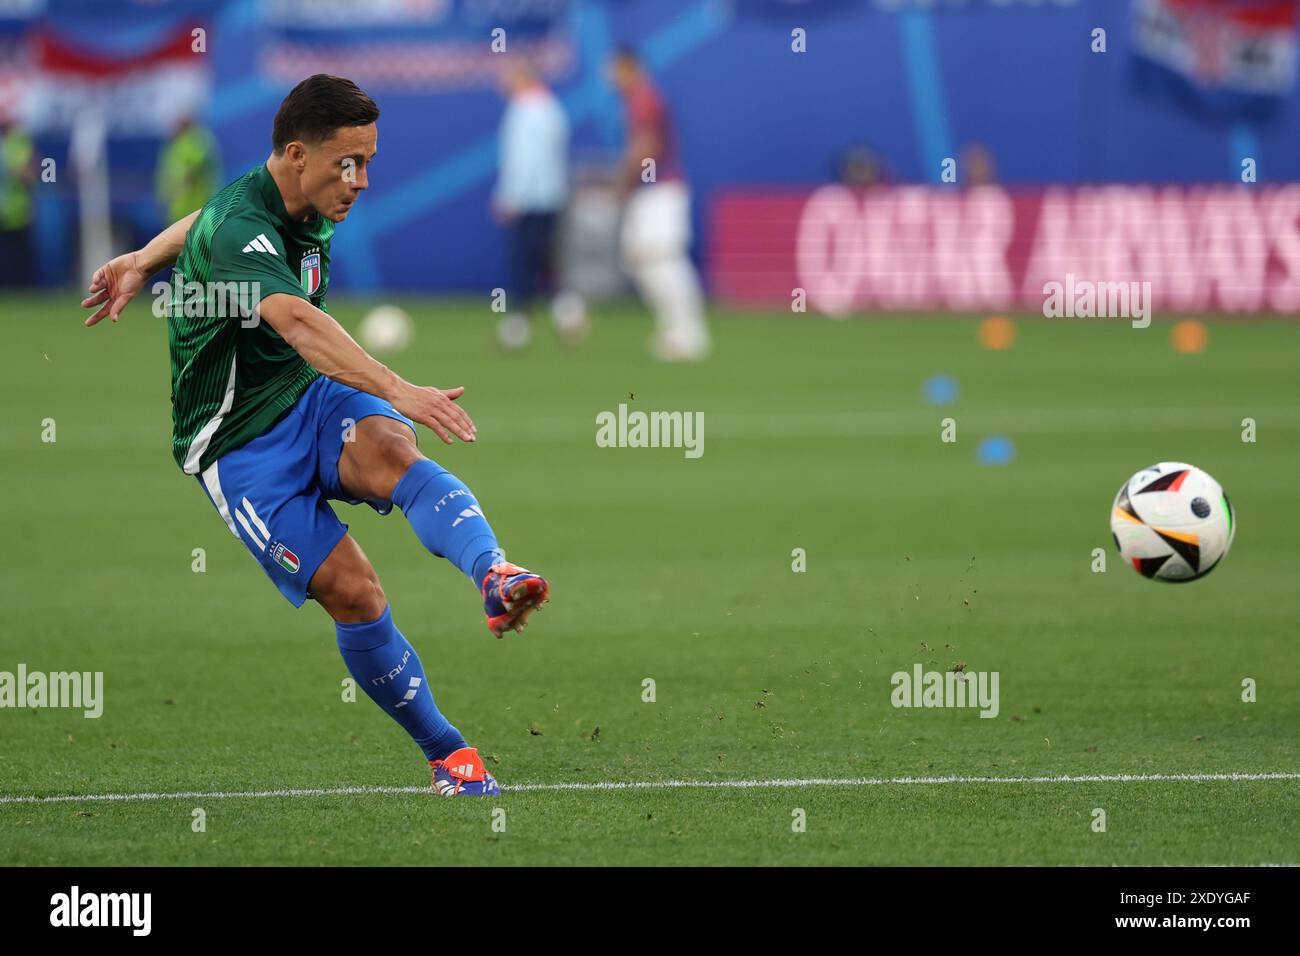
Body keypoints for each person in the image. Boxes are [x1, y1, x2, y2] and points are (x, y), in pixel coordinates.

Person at [80, 74, 550, 797]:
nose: (360, 180)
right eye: (348, 163)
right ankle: (447, 755)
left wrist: (144, 259)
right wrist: (399, 389)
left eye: (368, 161)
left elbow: (203, 214)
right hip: (238, 447)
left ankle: (495, 573)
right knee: (357, 593)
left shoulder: (296, 191)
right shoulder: (245, 229)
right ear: (298, 154)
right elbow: (298, 324)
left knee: (395, 452)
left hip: (304, 396)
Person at [607, 48, 710, 361]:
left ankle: (689, 333)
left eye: (613, 68)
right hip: (650, 192)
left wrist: (625, 183)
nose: (609, 76)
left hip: (659, 191)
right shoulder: (635, 99)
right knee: (641, 259)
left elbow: (645, 147)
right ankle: (674, 327)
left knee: (664, 258)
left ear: (629, 67)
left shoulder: (643, 98)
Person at [491, 59, 586, 348]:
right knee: (546, 258)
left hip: (530, 199)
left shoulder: (525, 109)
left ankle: (519, 324)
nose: (502, 84)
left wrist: (511, 196)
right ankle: (568, 312)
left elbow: (524, 159)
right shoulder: (551, 108)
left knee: (524, 261)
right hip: (552, 196)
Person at [156, 116, 222, 226]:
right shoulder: (176, 145)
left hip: (190, 206)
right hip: (181, 207)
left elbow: (195, 169)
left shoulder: (188, 143)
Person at [0, 119, 36, 288]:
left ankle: (20, 290)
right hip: (11, 212)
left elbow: (32, 173)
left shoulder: (17, 142)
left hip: (16, 214)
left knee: (16, 260)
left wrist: (21, 171)